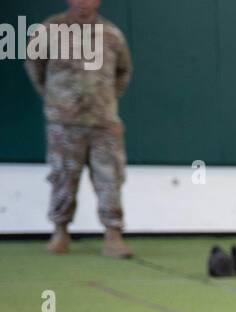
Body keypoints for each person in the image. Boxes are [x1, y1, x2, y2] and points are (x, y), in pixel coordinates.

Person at [24, 0, 134, 257]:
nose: (83, 2)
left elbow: (124, 72)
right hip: (64, 122)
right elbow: (34, 67)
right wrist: (56, 99)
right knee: (63, 177)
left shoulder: (112, 34)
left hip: (103, 123)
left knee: (110, 179)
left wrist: (105, 101)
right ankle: (60, 231)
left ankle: (113, 235)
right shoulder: (49, 30)